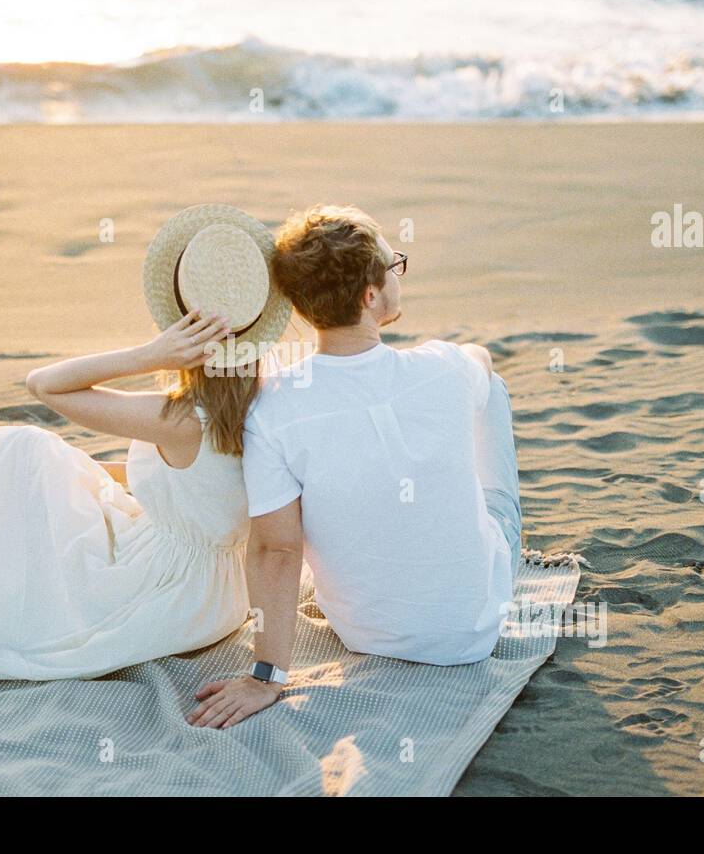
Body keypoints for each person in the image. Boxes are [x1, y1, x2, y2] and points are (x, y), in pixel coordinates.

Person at [0, 204, 292, 683]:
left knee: (24, 449)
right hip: (218, 592)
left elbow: (44, 384)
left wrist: (147, 356)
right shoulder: (273, 398)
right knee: (69, 473)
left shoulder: (179, 417)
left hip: (164, 588)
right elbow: (203, 487)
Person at [186, 204, 522, 729]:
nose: (397, 276)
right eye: (394, 267)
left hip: (364, 629)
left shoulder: (271, 407)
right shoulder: (445, 366)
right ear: (370, 296)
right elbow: (478, 358)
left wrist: (265, 676)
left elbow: (277, 550)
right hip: (474, 628)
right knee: (490, 388)